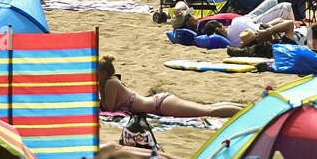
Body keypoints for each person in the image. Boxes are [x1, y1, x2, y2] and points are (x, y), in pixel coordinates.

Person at [98, 56, 242, 119]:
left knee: (207, 111)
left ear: (103, 73)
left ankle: (246, 111)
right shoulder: (111, 82)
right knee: (208, 108)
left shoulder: (111, 83)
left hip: (160, 105)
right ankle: (247, 109)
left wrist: (97, 89)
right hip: (160, 103)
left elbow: (109, 108)